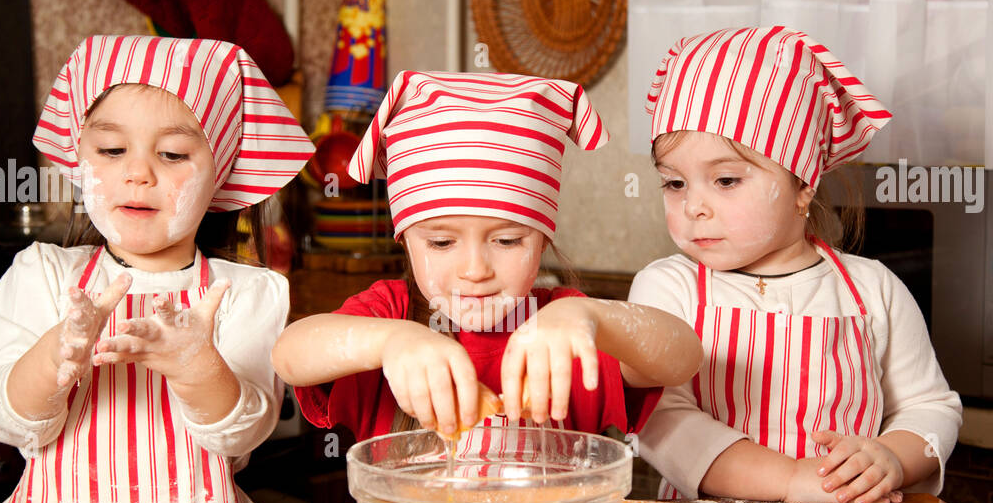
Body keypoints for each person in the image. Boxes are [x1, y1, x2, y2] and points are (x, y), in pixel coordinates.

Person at [0, 34, 313, 503]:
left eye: (172, 154)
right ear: (78, 156)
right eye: (111, 149)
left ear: (220, 171)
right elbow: (11, 423)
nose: (138, 172)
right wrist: (55, 357)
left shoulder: (242, 293)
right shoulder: (43, 275)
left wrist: (197, 365)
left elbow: (242, 435)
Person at [272, 71, 702, 453]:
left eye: (508, 240)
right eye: (441, 242)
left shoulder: (562, 329)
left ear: (542, 240)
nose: (475, 269)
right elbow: (289, 354)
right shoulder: (391, 312)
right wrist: (391, 342)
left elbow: (684, 355)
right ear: (405, 242)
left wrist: (590, 316)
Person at [629, 27, 962, 503]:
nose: (694, 207)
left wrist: (889, 458)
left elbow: (931, 407)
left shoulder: (873, 290)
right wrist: (789, 480)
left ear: (803, 185)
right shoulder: (668, 289)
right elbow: (665, 420)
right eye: (675, 183)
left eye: (725, 179)